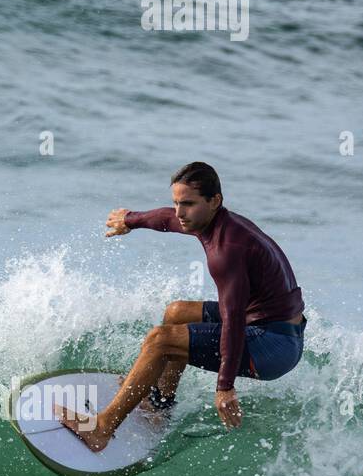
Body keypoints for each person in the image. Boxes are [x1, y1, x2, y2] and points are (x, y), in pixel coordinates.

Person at [53, 162, 306, 452]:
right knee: (177, 313)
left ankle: (102, 428)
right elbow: (165, 220)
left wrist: (225, 387)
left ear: (215, 201)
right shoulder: (210, 220)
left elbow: (233, 319)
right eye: (177, 202)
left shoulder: (228, 250)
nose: (179, 212)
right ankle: (159, 401)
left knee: (159, 340)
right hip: (269, 322)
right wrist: (130, 219)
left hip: (274, 346)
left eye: (187, 204)